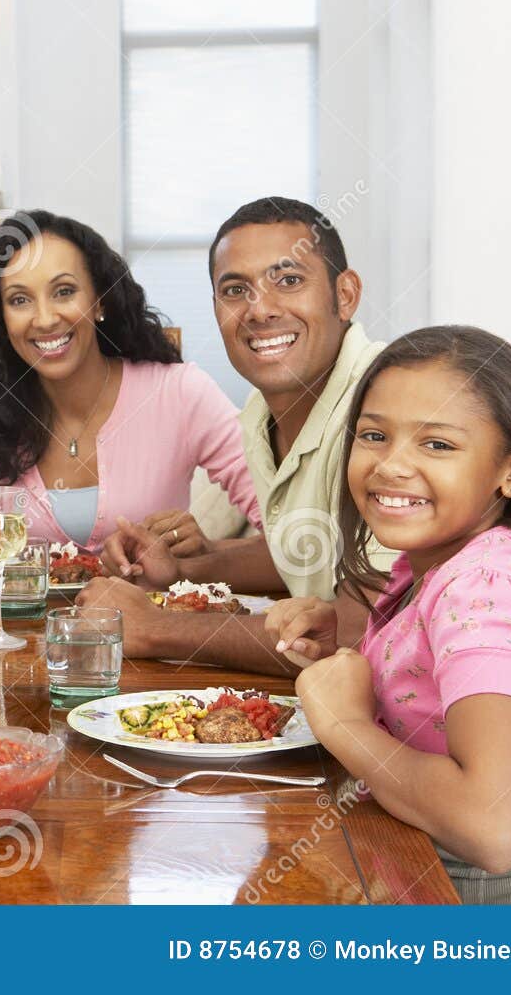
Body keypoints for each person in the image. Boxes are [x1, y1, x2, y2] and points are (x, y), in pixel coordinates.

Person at [270, 326, 511, 902]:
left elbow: (492, 830)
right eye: (374, 435)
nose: (391, 465)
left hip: (494, 901)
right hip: (430, 860)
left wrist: (347, 725)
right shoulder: (445, 564)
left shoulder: (486, 590)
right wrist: (360, 660)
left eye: (436, 444)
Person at [81, 196, 392, 672]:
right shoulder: (258, 412)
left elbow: (354, 631)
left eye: (288, 280)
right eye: (234, 290)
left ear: (344, 294)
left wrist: (152, 628)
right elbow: (313, 549)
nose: (259, 309)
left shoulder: (388, 411)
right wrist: (186, 568)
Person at [0, 209, 260, 551]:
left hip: (151, 605)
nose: (46, 318)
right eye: (20, 300)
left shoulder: (180, 392)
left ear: (98, 301)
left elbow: (282, 522)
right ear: (2, 318)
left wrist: (207, 554)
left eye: (64, 291)